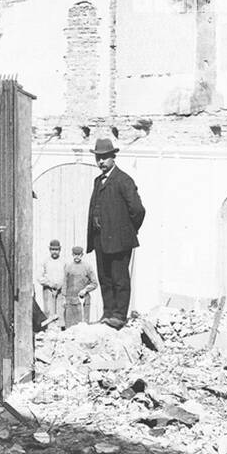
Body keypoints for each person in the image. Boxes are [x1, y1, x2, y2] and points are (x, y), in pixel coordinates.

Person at [86, 138, 145, 328]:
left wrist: (126, 231)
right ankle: (108, 313)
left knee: (119, 278)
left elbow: (138, 210)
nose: (101, 161)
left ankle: (119, 316)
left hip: (119, 239)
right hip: (99, 238)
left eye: (104, 157)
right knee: (105, 277)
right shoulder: (97, 181)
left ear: (113, 157)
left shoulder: (123, 180)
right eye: (98, 158)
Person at [63, 245, 99, 328]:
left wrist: (85, 290)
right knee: (70, 327)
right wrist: (64, 298)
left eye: (79, 255)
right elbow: (64, 282)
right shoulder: (68, 267)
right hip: (70, 301)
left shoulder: (87, 267)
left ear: (82, 255)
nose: (77, 257)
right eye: (75, 254)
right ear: (72, 254)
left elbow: (94, 283)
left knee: (83, 326)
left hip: (83, 301)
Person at [38, 238, 67, 320]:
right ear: (49, 249)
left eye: (56, 249)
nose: (54, 251)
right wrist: (50, 284)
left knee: (60, 311)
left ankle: (60, 329)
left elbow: (66, 276)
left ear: (60, 249)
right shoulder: (45, 261)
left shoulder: (63, 262)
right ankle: (50, 328)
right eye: (52, 249)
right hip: (48, 290)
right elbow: (39, 277)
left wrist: (60, 285)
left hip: (60, 290)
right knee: (49, 311)